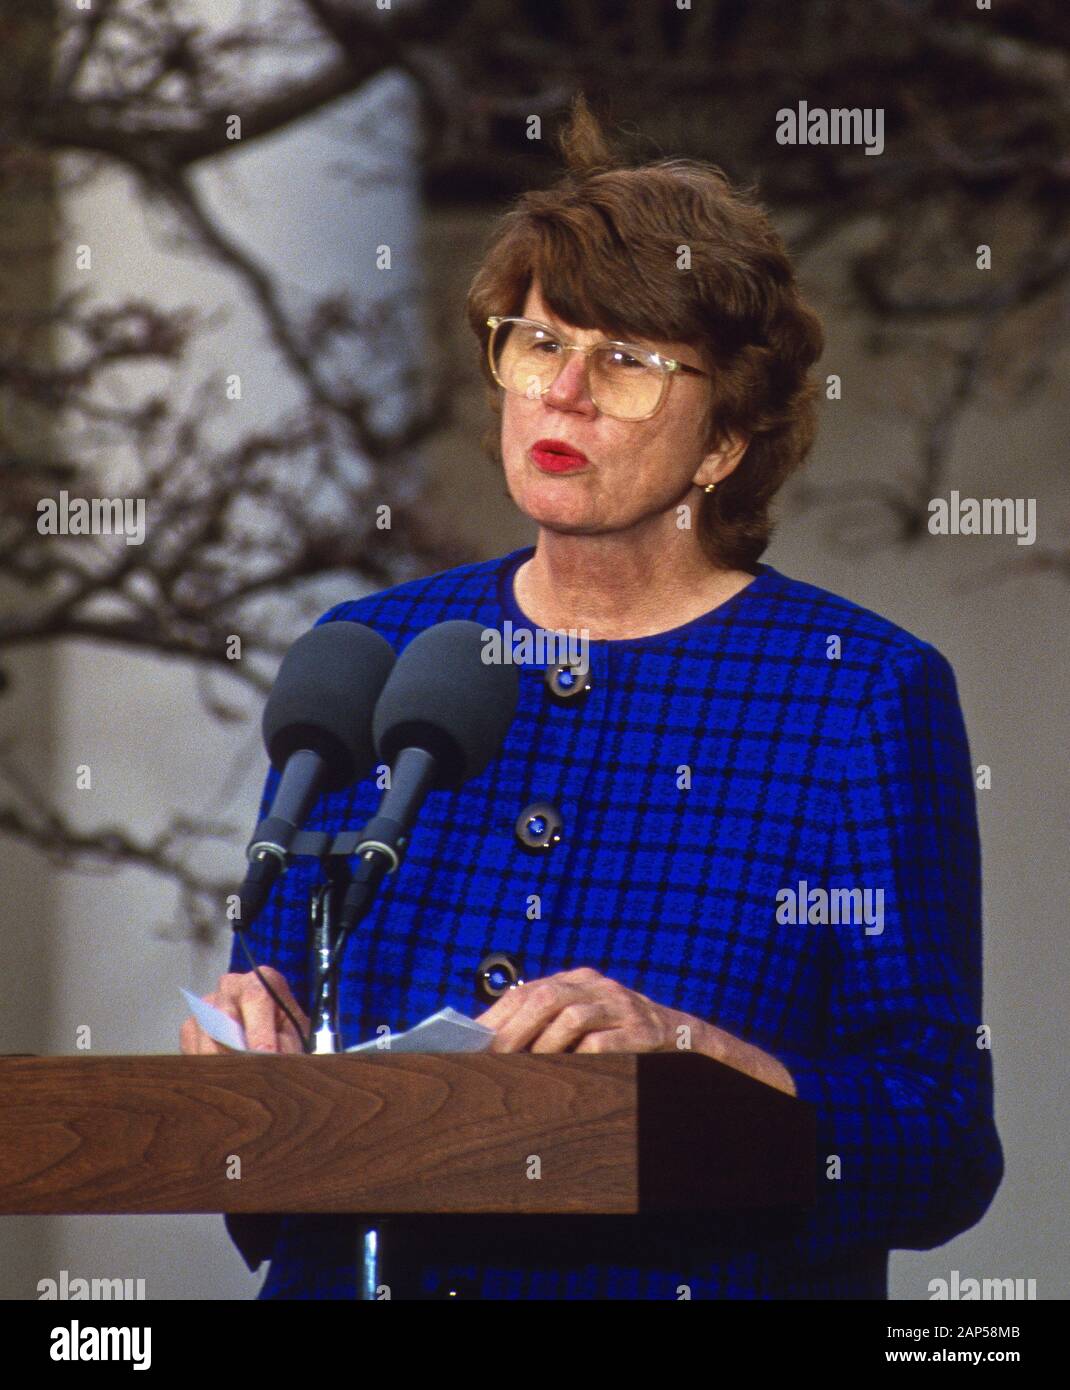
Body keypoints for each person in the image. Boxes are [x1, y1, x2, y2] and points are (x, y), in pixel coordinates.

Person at [181, 97, 1002, 1299]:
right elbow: (268, 1209)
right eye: (536, 341)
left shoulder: (857, 693)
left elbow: (936, 1146)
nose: (562, 392)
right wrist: (254, 1084)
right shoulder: (366, 654)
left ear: (723, 438)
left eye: (624, 360)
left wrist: (695, 1058)